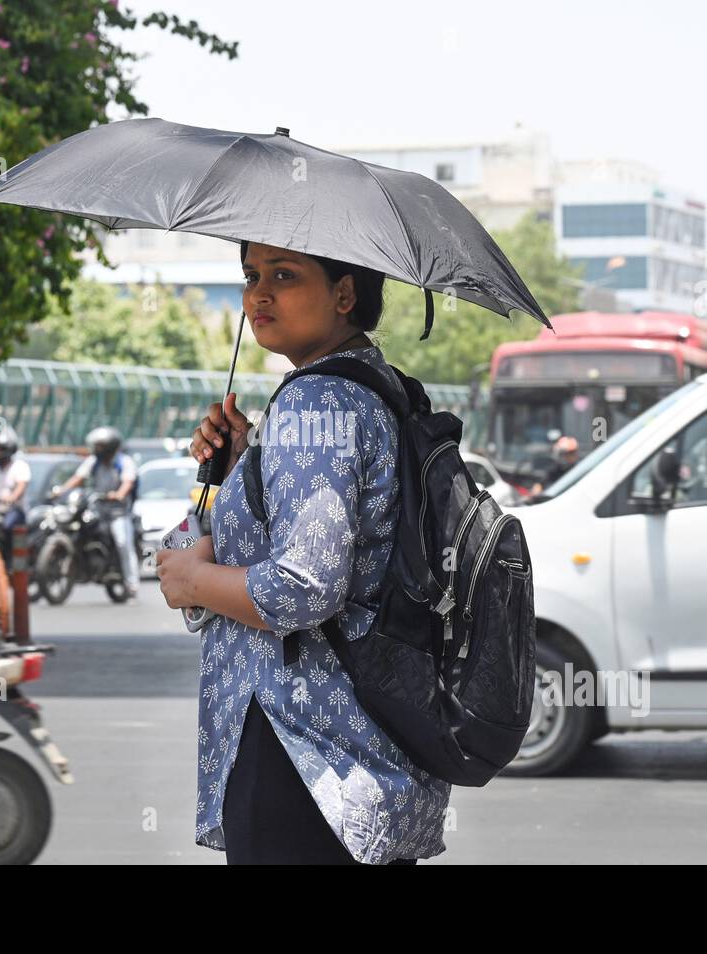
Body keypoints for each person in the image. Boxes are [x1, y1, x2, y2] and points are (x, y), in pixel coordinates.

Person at [156, 240, 450, 864]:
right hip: (369, 747)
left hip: (305, 750)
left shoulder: (314, 402)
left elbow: (302, 587)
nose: (258, 294)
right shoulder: (382, 390)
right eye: (251, 275)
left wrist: (190, 580)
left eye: (284, 275)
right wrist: (237, 469)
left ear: (345, 294)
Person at [55, 427, 140, 599]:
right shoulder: (93, 461)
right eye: (96, 446)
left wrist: (118, 495)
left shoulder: (124, 462)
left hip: (118, 511)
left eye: (101, 446)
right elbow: (78, 478)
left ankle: (132, 584)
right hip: (97, 509)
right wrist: (61, 491)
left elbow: (127, 483)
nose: (98, 450)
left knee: (123, 543)